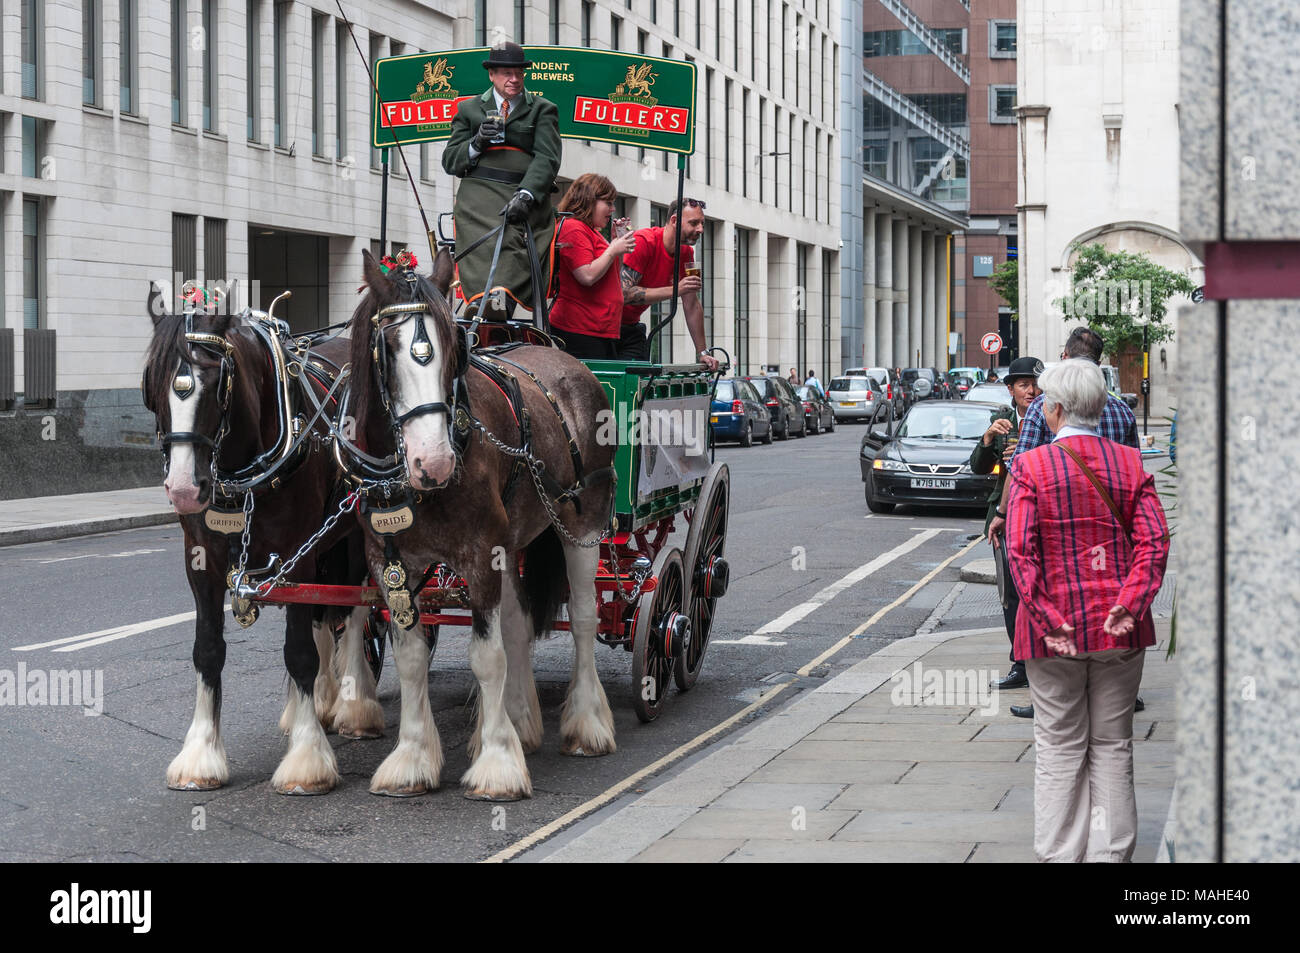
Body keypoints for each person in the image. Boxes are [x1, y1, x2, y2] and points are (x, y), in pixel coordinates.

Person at [1004, 359, 1170, 862]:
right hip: (1119, 630)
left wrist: (1048, 617)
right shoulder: (1131, 464)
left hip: (1053, 632)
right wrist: (1129, 603)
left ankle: (1060, 855)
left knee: (1058, 747)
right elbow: (1155, 543)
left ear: (1053, 410)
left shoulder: (1031, 468)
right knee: (1113, 745)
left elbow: (1020, 552)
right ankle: (1110, 855)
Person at [993, 326, 1143, 718]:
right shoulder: (1123, 411)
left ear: (1064, 355)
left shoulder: (1050, 405)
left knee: (1062, 595)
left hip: (1057, 526)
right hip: (1111, 532)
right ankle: (1120, 688)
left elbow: (1019, 466)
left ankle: (1051, 692)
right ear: (1100, 363)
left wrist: (1002, 513)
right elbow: (1138, 486)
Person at [442, 41, 561, 318]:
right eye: (507, 73)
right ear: (492, 75)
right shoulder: (468, 109)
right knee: (481, 237)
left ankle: (499, 300)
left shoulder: (543, 109)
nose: (514, 79)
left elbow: (548, 158)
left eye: (519, 73)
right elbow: (450, 161)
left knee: (509, 238)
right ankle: (481, 299)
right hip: (477, 197)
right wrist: (476, 142)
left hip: (519, 195)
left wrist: (526, 194)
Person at [969, 356, 1042, 695]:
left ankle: (1045, 662)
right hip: (1005, 517)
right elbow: (978, 468)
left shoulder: (1050, 415)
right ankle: (1021, 664)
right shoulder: (1001, 420)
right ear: (1011, 389)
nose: (1032, 389)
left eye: (1035, 383)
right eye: (1024, 384)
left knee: (1039, 593)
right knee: (1010, 595)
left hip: (1041, 516)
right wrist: (986, 440)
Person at [619, 198, 719, 369]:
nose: (700, 229)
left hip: (631, 327)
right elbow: (623, 294)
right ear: (674, 221)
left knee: (640, 381)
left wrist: (703, 352)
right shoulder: (644, 241)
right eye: (694, 223)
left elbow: (692, 304)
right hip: (604, 327)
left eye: (702, 223)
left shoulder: (687, 253)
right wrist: (676, 290)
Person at [548, 174, 634, 360]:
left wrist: (615, 244)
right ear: (589, 200)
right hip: (581, 328)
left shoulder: (590, 231)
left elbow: (608, 278)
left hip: (597, 329)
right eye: (608, 203)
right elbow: (586, 275)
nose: (612, 209)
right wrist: (612, 249)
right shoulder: (573, 228)